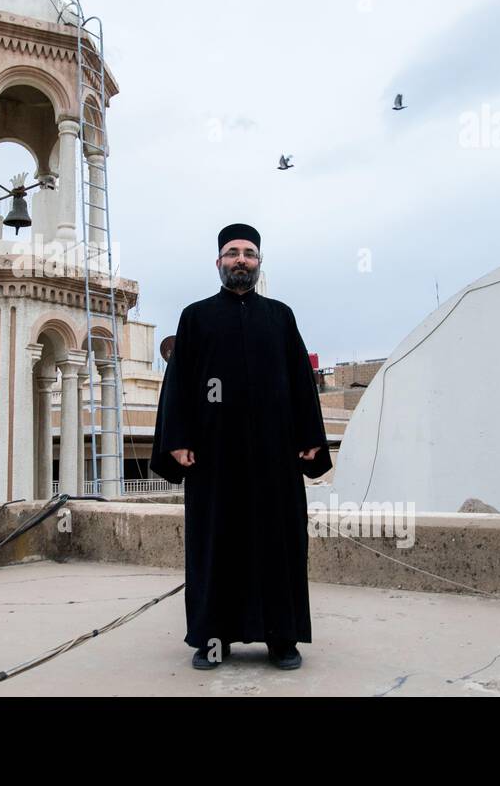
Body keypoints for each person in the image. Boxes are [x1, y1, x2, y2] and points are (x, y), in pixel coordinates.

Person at [151, 223, 332, 671]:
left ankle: (282, 639)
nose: (240, 260)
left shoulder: (280, 316)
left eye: (249, 254)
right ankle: (214, 640)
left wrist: (310, 436)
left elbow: (300, 381)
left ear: (259, 263)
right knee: (216, 544)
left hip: (275, 455)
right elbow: (177, 385)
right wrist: (177, 441)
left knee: (280, 544)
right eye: (232, 253)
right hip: (215, 457)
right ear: (218, 262)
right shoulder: (195, 317)